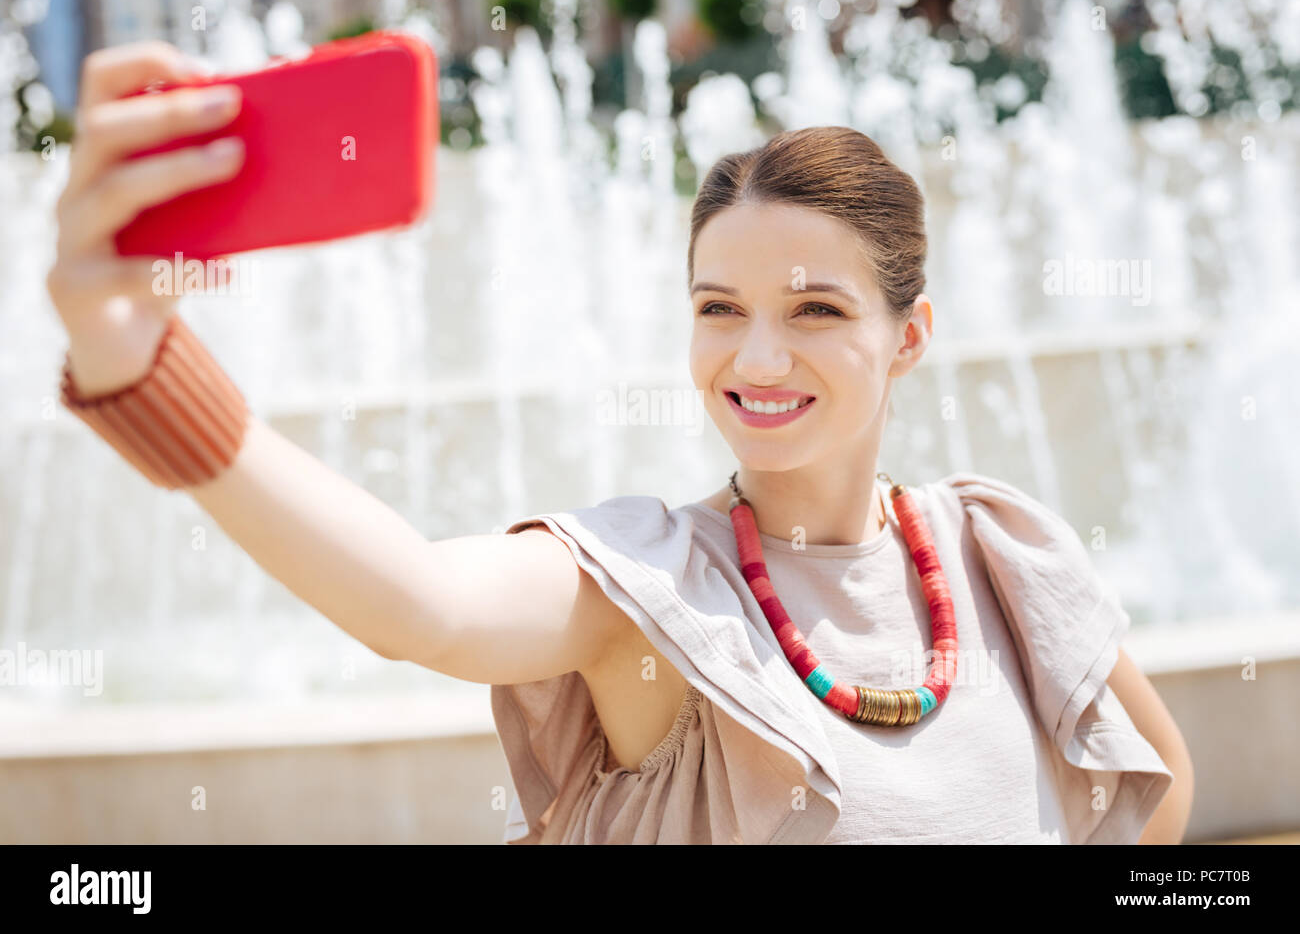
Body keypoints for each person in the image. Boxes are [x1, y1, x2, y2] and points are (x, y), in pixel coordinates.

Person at [47, 41, 1194, 845]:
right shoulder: (654, 586)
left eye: (816, 310)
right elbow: (418, 603)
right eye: (716, 307)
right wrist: (135, 356)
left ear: (908, 338)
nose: (752, 357)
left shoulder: (999, 547)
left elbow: (1160, 793)